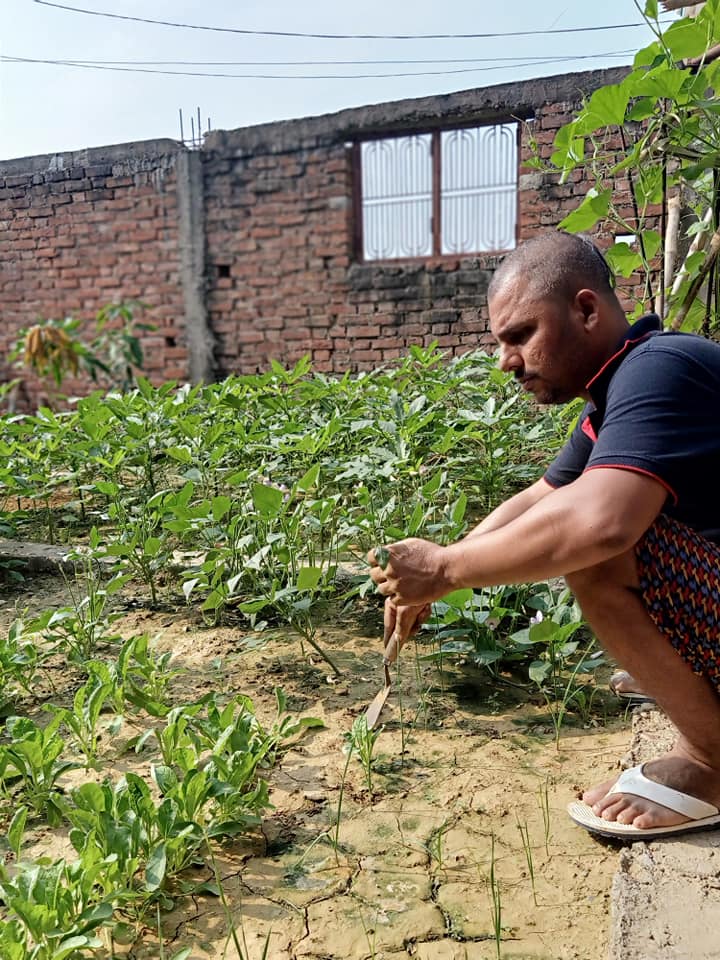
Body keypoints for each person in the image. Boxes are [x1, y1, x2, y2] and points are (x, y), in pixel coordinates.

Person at [368, 230, 720, 840]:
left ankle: (712, 762)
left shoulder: (659, 370)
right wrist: (438, 572)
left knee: (600, 557)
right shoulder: (615, 392)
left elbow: (600, 523)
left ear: (586, 310)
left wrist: (448, 570)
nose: (507, 361)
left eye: (520, 335)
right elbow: (541, 498)